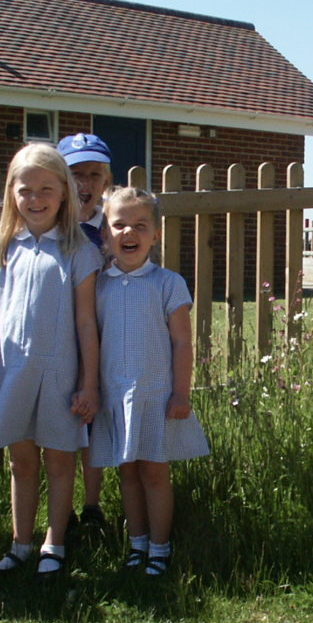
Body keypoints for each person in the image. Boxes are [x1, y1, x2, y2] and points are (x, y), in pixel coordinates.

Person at [0, 143, 101, 581]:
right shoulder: (1, 249)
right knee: (22, 461)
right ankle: (20, 543)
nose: (35, 199)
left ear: (64, 194)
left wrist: (89, 385)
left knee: (59, 460)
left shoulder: (78, 251)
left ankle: (54, 541)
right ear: (11, 194)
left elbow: (87, 324)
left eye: (46, 189)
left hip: (60, 376)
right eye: (25, 190)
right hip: (13, 373)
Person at [89, 188, 210, 577]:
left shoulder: (167, 283)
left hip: (156, 395)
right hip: (115, 396)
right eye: (119, 224)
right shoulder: (96, 286)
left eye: (140, 225)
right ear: (105, 235)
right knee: (127, 471)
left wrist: (181, 392)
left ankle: (160, 547)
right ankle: (136, 544)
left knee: (155, 472)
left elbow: (181, 341)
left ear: (155, 234)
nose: (130, 232)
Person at [57, 132, 115, 533]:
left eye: (94, 174)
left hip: (102, 338)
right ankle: (60, 508)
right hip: (59, 340)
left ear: (105, 182)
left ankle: (92, 506)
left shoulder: (112, 230)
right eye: (76, 173)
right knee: (61, 422)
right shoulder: (50, 228)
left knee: (93, 422)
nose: (85, 184)